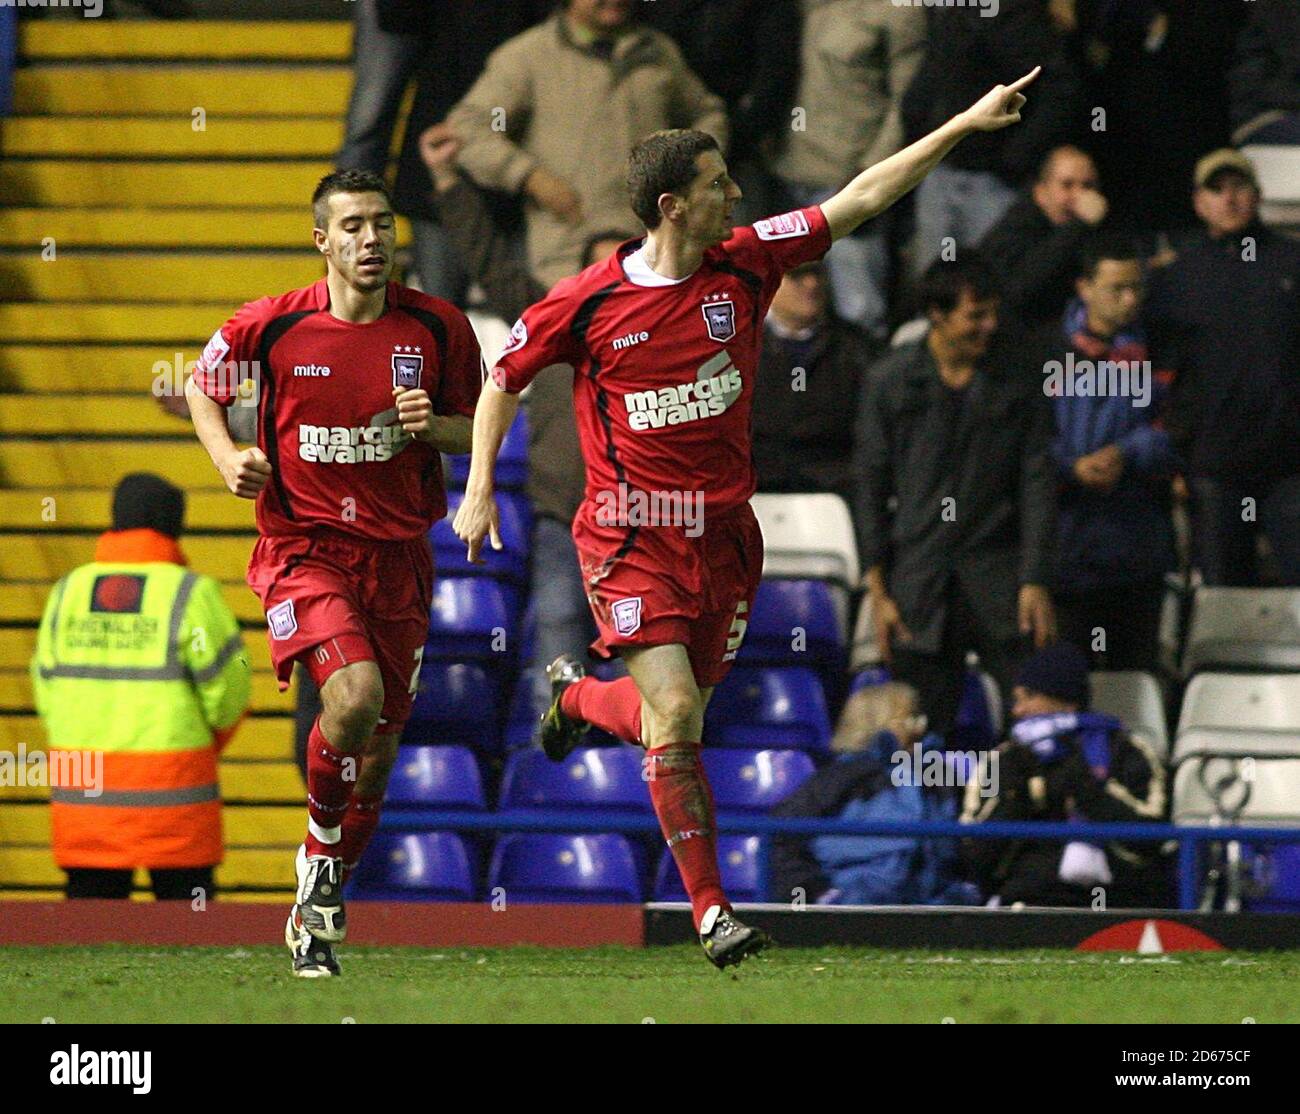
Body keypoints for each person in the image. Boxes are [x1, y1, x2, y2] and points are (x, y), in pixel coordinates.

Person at [453, 69, 1044, 968]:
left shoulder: (746, 260)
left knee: (671, 721)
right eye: (717, 186)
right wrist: (480, 483)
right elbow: (502, 378)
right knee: (679, 709)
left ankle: (574, 699)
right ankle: (712, 912)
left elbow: (861, 195)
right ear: (670, 206)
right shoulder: (589, 301)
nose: (736, 194)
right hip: (628, 530)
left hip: (725, 535)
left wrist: (962, 120)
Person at [186, 168, 482, 977]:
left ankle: (316, 911)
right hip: (303, 548)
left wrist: (442, 428)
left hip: (399, 557)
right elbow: (199, 385)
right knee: (351, 696)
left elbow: (480, 426)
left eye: (383, 223)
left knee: (378, 752)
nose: (372, 239)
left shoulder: (440, 329)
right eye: (352, 226)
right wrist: (226, 457)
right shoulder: (273, 324)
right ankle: (317, 859)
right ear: (322, 240)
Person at [420, 121, 635, 725]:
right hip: (564, 509)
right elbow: (490, 260)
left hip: (643, 517)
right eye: (595, 274)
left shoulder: (665, 336)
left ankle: (637, 754)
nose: (605, 288)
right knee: (560, 635)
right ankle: (559, 751)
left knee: (641, 641)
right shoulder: (556, 323)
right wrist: (445, 181)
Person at [855, 253, 1057, 740]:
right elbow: (869, 483)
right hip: (919, 584)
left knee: (1030, 728)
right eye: (975, 315)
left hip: (1001, 580)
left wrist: (1035, 579)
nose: (989, 326)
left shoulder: (1017, 382)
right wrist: (878, 590)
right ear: (937, 315)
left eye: (993, 313)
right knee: (918, 735)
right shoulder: (889, 381)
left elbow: (1036, 484)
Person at [31, 474, 250, 901]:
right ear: (174, 524)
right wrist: (207, 743)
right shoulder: (191, 593)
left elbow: (46, 688)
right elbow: (231, 684)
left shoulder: (68, 592)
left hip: (86, 800)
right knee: (190, 941)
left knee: (87, 943)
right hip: (176, 799)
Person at [446, 0, 727, 290]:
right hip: (570, 256)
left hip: (657, 247)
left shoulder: (657, 51)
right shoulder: (530, 56)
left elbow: (704, 113)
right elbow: (480, 123)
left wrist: (694, 170)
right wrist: (528, 175)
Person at [1147, 149, 1300, 586]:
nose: (1229, 199)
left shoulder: (1293, 262)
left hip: (1290, 466)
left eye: (1238, 187)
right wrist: (1173, 455)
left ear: (1258, 195)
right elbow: (1159, 372)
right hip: (1214, 469)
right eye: (1217, 189)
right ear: (1198, 201)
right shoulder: (1176, 277)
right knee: (1221, 599)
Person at [1038, 235, 1175, 672]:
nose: (1130, 299)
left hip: (1136, 549)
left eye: (1136, 287)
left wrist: (1129, 452)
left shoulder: (1161, 350)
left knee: (1133, 680)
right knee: (1069, 677)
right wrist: (1071, 465)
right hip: (1065, 548)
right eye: (1117, 288)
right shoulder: (1047, 353)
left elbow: (1179, 427)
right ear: (1085, 288)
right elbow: (1026, 438)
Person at [962, 642, 1169, 908]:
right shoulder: (1005, 758)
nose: (1017, 710)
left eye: (1028, 697)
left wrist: (1085, 789)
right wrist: (1017, 797)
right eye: (1016, 699)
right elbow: (974, 856)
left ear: (1066, 700)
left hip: (1116, 899)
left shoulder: (1127, 750)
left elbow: (1151, 837)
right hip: (1026, 899)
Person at [771, 0, 927, 337]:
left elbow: (908, 101)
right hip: (789, 172)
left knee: (859, 310)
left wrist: (870, 170)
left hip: (849, 181)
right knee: (788, 314)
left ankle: (859, 384)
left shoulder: (899, 10)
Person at [902, 0, 1084, 276]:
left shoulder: (1019, 20)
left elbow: (1061, 87)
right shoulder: (954, 15)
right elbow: (931, 78)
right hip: (941, 167)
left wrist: (1015, 155)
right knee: (934, 280)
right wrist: (916, 124)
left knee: (988, 277)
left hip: (992, 179)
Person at [771, 681, 979, 907]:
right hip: (853, 911)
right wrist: (820, 894)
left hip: (932, 910)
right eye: (910, 720)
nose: (919, 729)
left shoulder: (938, 779)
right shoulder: (841, 778)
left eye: (920, 720)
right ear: (875, 725)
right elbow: (781, 836)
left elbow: (958, 849)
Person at [752, 259, 880, 507]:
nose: (812, 284)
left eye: (817, 274)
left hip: (838, 490)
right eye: (798, 276)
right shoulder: (739, 347)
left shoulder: (858, 349)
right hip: (757, 487)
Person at [977, 145, 1109, 329]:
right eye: (1067, 185)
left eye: (1088, 186)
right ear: (1040, 192)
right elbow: (1022, 288)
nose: (1080, 196)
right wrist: (1078, 226)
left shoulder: (1093, 229)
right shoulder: (1013, 230)